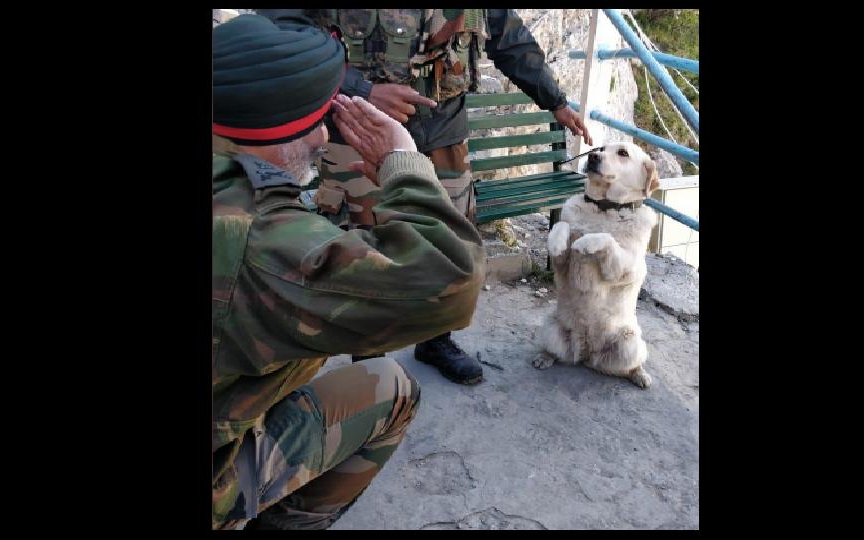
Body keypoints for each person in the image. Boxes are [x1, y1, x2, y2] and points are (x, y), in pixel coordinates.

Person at [212, 14, 485, 529]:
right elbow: (450, 283)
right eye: (311, 124)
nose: (321, 139)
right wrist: (407, 167)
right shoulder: (257, 240)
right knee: (389, 387)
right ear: (269, 136)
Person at [256, 8, 593, 385]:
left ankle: (436, 341)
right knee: (363, 250)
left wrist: (556, 101)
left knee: (448, 242)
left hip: (443, 132)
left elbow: (508, 36)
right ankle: (369, 362)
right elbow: (283, 33)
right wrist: (361, 89)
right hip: (359, 129)